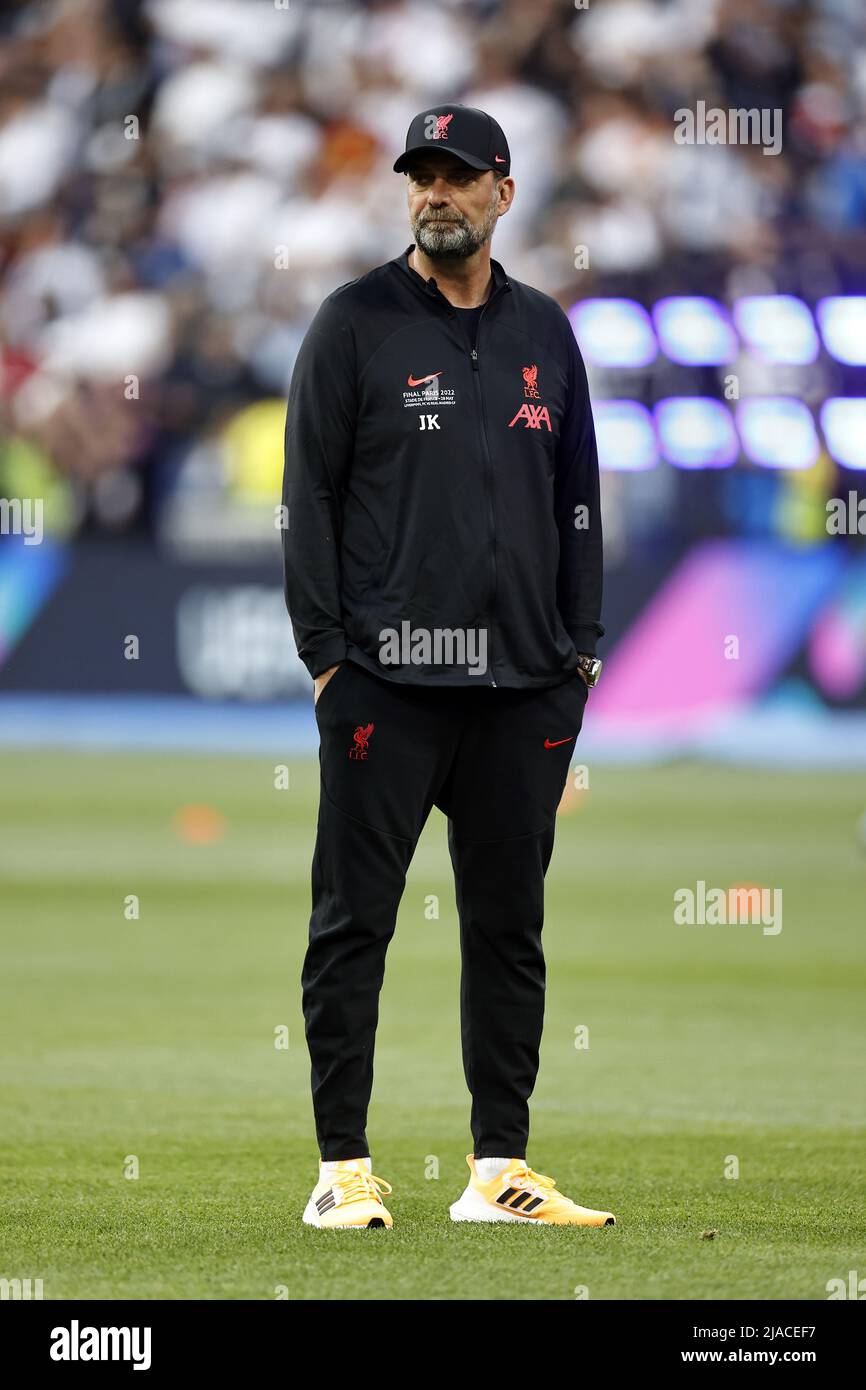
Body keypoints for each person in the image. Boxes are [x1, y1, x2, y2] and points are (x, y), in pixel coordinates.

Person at [282, 104, 615, 1230]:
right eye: (421, 176)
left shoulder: (544, 332)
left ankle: (497, 1170)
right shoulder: (353, 323)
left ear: (502, 194)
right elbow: (307, 503)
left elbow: (577, 500)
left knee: (507, 928)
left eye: (458, 177)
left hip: (524, 687)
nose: (437, 194)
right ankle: (340, 1169)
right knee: (352, 925)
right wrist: (328, 661)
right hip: (386, 679)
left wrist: (579, 657)